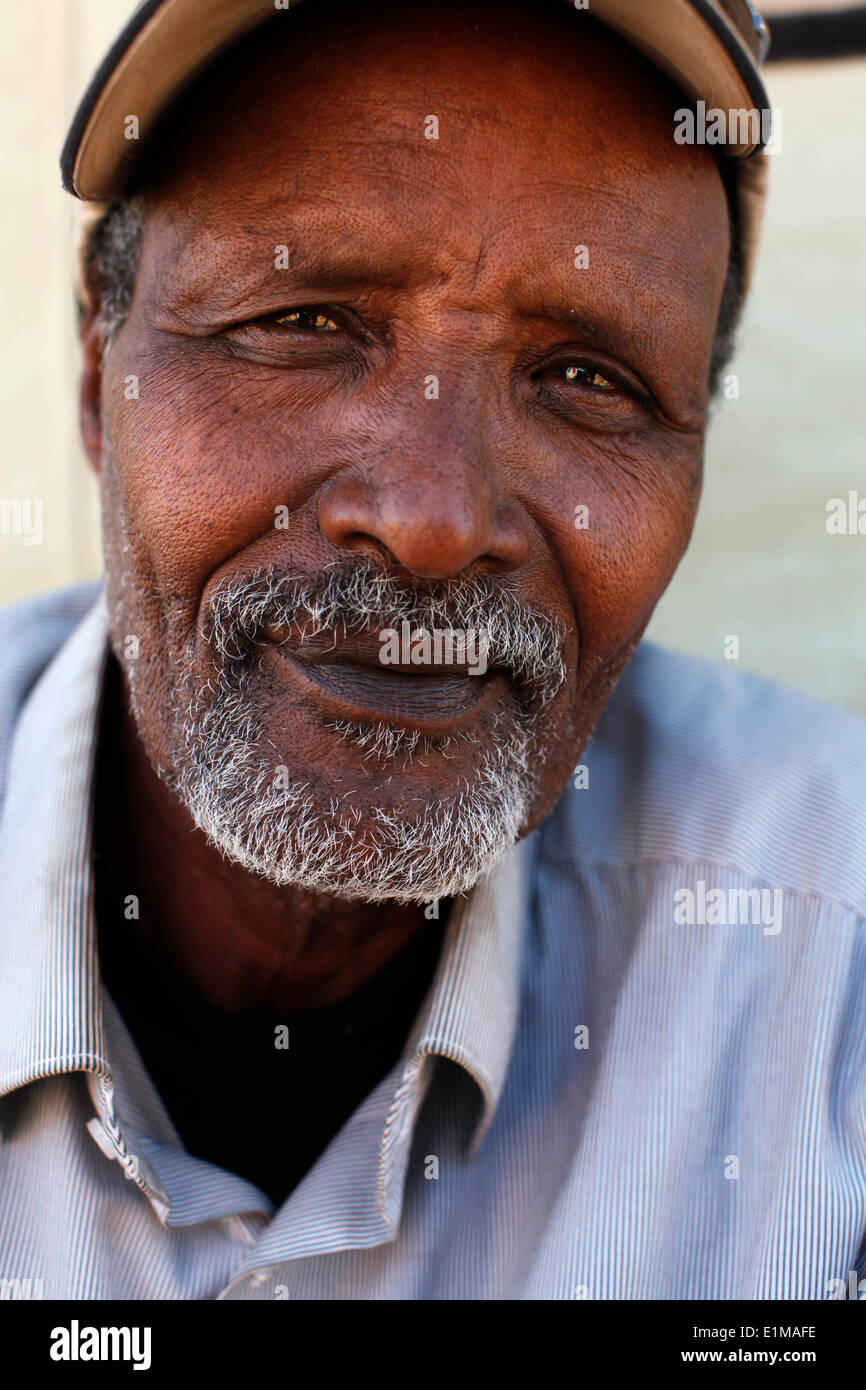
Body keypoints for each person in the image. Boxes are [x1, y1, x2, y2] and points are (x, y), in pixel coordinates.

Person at [2, 0, 864, 1300]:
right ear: (94, 371)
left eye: (587, 378)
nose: (431, 519)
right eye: (302, 323)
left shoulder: (829, 962)